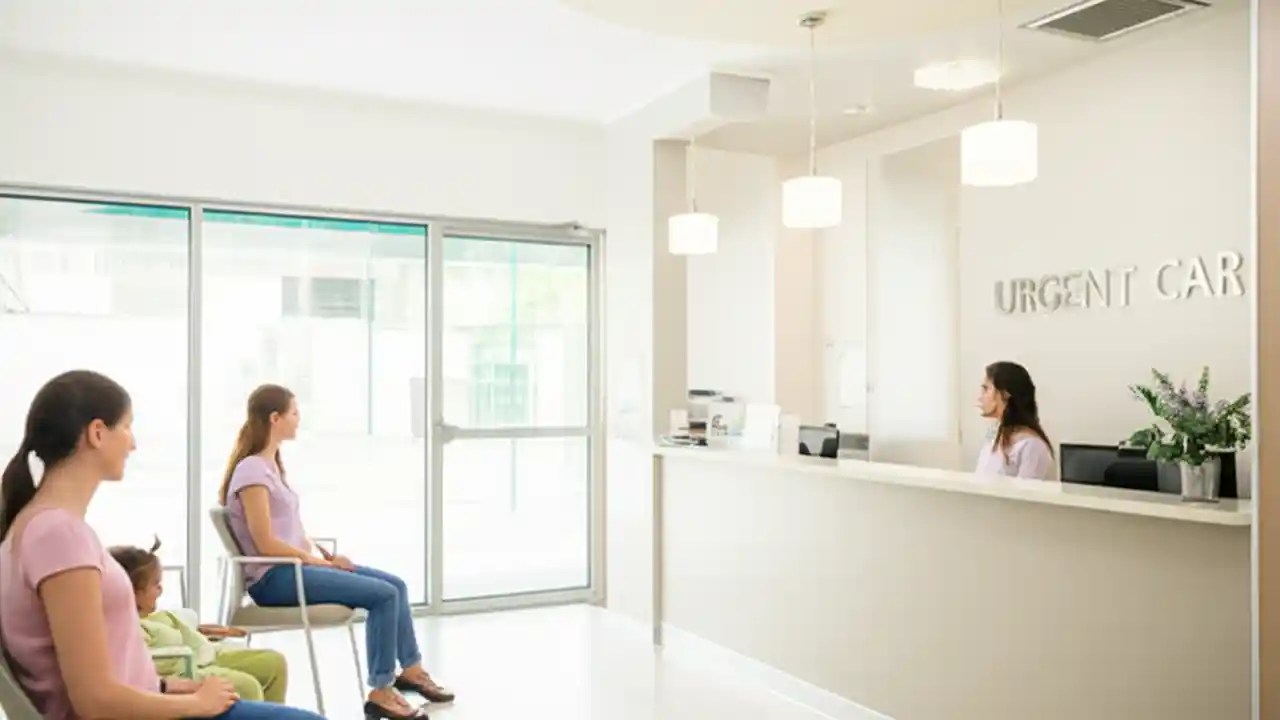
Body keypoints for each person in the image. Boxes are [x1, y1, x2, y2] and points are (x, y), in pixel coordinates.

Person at [0, 370, 327, 720]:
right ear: (97, 433)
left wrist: (166, 688)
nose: (133, 442)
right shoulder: (57, 535)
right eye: (126, 427)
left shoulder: (37, 528)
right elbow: (94, 702)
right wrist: (196, 704)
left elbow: (96, 673)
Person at [218, 384, 451, 720]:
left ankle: (411, 671)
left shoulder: (270, 465)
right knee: (384, 596)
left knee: (396, 585)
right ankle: (381, 691)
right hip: (275, 579)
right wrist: (312, 561)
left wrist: (324, 557)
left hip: (295, 568)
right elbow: (266, 542)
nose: (299, 419)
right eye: (294, 412)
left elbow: (289, 529)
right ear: (275, 418)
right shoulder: (253, 470)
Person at [111, 537, 289, 703]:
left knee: (274, 662)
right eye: (155, 584)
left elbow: (182, 632)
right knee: (247, 686)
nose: (160, 590)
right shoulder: (132, 628)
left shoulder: (156, 616)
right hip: (187, 669)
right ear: (133, 591)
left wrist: (207, 632)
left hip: (209, 652)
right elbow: (146, 664)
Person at [975, 361, 1056, 481]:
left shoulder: (1032, 446)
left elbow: (1025, 497)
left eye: (986, 389)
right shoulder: (994, 435)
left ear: (1005, 394)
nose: (980, 397)